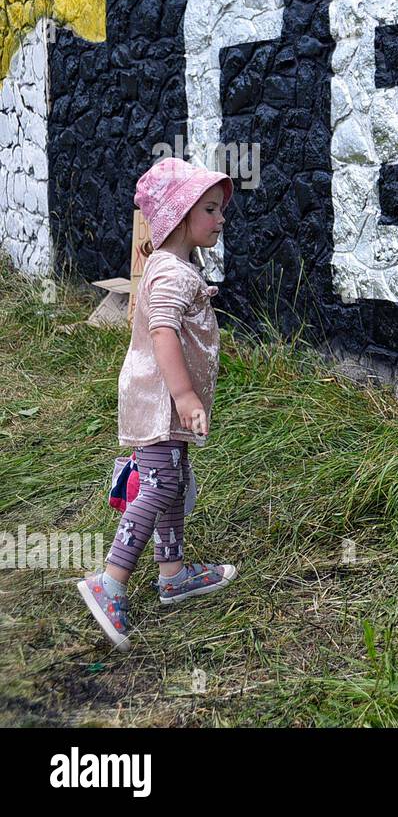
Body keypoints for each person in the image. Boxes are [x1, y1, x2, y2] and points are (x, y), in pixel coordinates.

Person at [78, 158, 239, 651]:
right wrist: (186, 395)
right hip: (160, 402)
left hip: (162, 404)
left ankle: (172, 573)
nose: (220, 218)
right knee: (161, 483)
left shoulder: (173, 266)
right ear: (181, 215)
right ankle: (110, 580)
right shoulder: (172, 273)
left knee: (172, 482)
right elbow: (162, 330)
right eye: (210, 209)